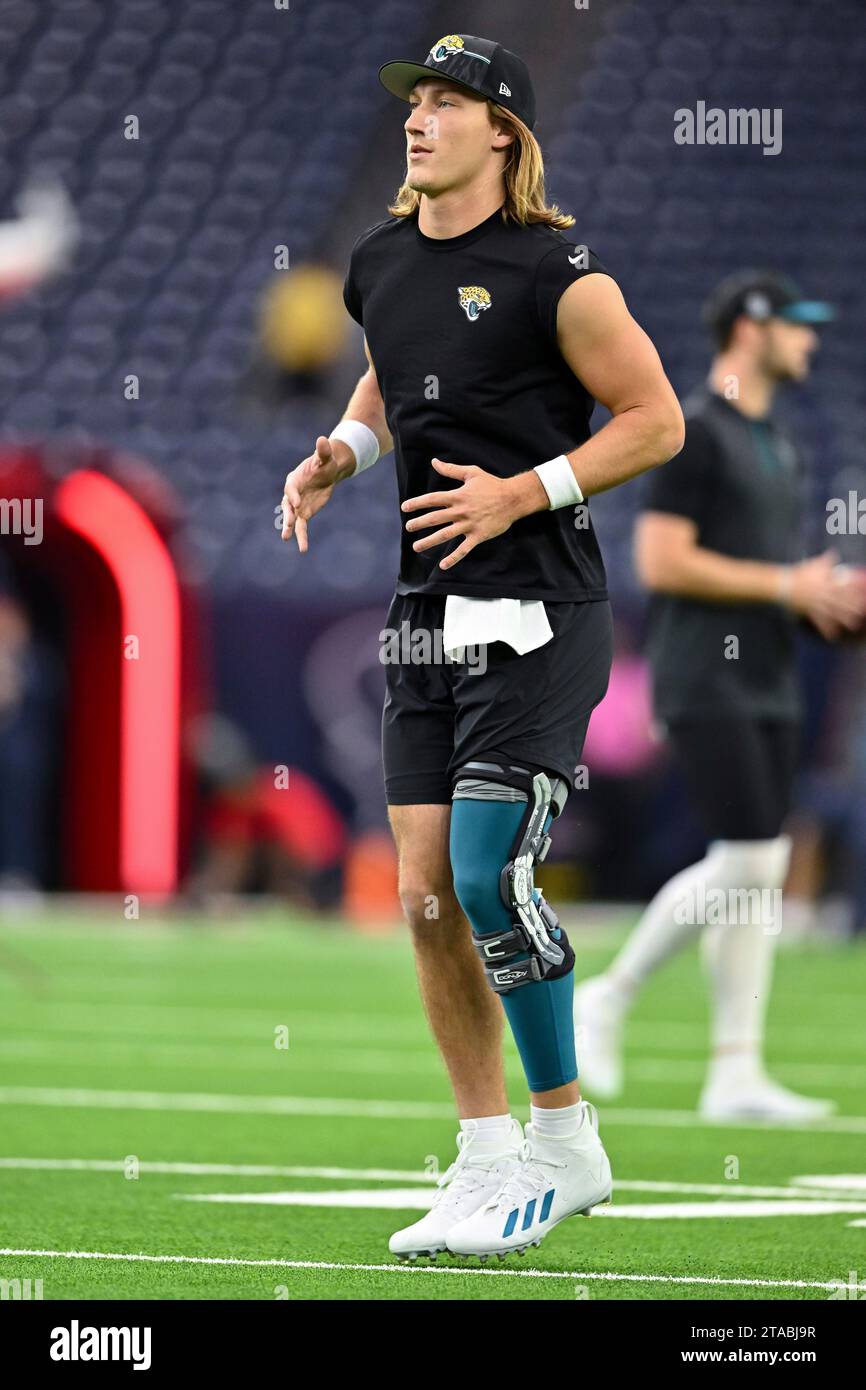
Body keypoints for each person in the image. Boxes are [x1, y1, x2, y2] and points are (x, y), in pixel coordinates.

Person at [280, 33, 683, 1259]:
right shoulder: (383, 258)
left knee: (483, 877)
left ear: (501, 131)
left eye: (448, 104)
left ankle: (565, 1144)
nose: (419, 120)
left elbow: (654, 419)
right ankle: (483, 1150)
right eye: (416, 101)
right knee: (418, 901)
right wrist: (340, 457)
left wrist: (525, 490)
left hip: (541, 612)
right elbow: (383, 377)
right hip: (423, 613)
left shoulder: (560, 273)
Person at [574, 270, 866, 1121]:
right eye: (798, 324)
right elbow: (660, 562)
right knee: (749, 858)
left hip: (769, 675)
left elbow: (776, 578)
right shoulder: (696, 430)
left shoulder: (778, 440)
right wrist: (785, 585)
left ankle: (735, 1070)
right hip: (707, 673)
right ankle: (611, 993)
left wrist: (823, 597)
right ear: (752, 326)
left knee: (760, 870)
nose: (811, 341)